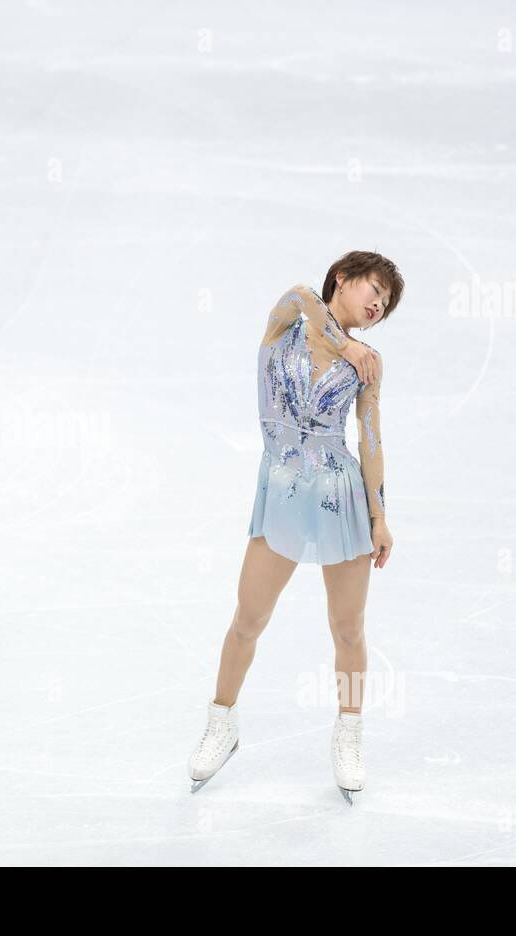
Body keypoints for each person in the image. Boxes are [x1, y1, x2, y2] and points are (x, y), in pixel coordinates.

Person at [187, 251, 403, 799]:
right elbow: (304, 295)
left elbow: (371, 441)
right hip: (283, 489)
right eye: (372, 288)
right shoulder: (287, 319)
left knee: (349, 629)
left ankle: (349, 731)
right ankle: (222, 721)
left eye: (386, 302)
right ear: (343, 279)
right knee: (248, 619)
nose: (378, 303)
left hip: (339, 495)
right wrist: (343, 340)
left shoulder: (367, 363)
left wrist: (380, 516)